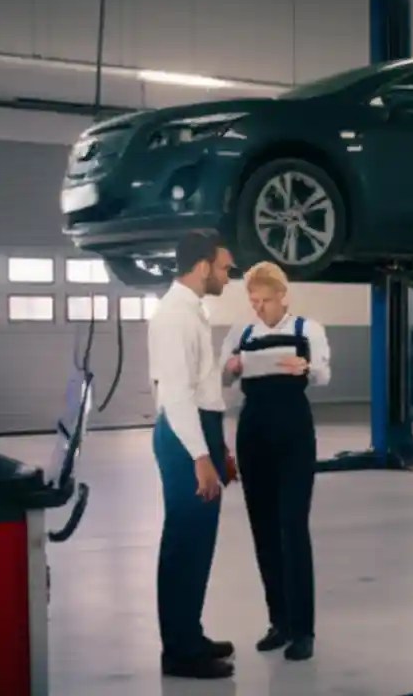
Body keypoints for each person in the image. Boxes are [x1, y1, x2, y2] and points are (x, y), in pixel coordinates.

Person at [222, 261, 330, 662]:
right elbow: (224, 376)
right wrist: (230, 368)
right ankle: (279, 622)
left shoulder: (307, 329)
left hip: (294, 432)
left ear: (283, 296)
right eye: (253, 300)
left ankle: (303, 630)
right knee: (263, 528)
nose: (259, 308)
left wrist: (308, 367)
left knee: (292, 527)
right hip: (253, 431)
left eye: (266, 300)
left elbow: (324, 374)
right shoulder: (242, 332)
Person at [147, 230, 239, 680]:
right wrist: (201, 457)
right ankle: (179, 652)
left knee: (198, 542)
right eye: (224, 267)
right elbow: (177, 395)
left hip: (199, 430)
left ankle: (190, 634)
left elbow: (202, 386)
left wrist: (218, 447)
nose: (227, 274)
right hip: (184, 434)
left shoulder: (192, 311)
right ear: (202, 266)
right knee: (184, 542)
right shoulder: (174, 317)